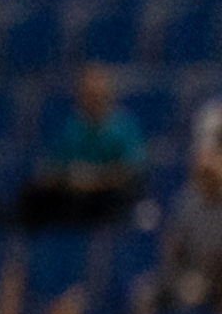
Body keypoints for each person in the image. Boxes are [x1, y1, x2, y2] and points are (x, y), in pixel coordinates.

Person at [20, 65, 147, 227]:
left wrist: (95, 180)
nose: (89, 99)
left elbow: (131, 172)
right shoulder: (73, 127)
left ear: (108, 95)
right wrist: (69, 179)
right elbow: (54, 168)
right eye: (85, 94)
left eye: (95, 94)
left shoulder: (124, 127)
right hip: (73, 193)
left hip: (107, 195)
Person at [161, 147, 222, 314]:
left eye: (211, 174)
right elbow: (175, 242)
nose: (207, 179)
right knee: (147, 295)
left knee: (190, 295)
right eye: (203, 174)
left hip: (215, 274)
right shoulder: (187, 201)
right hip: (190, 269)